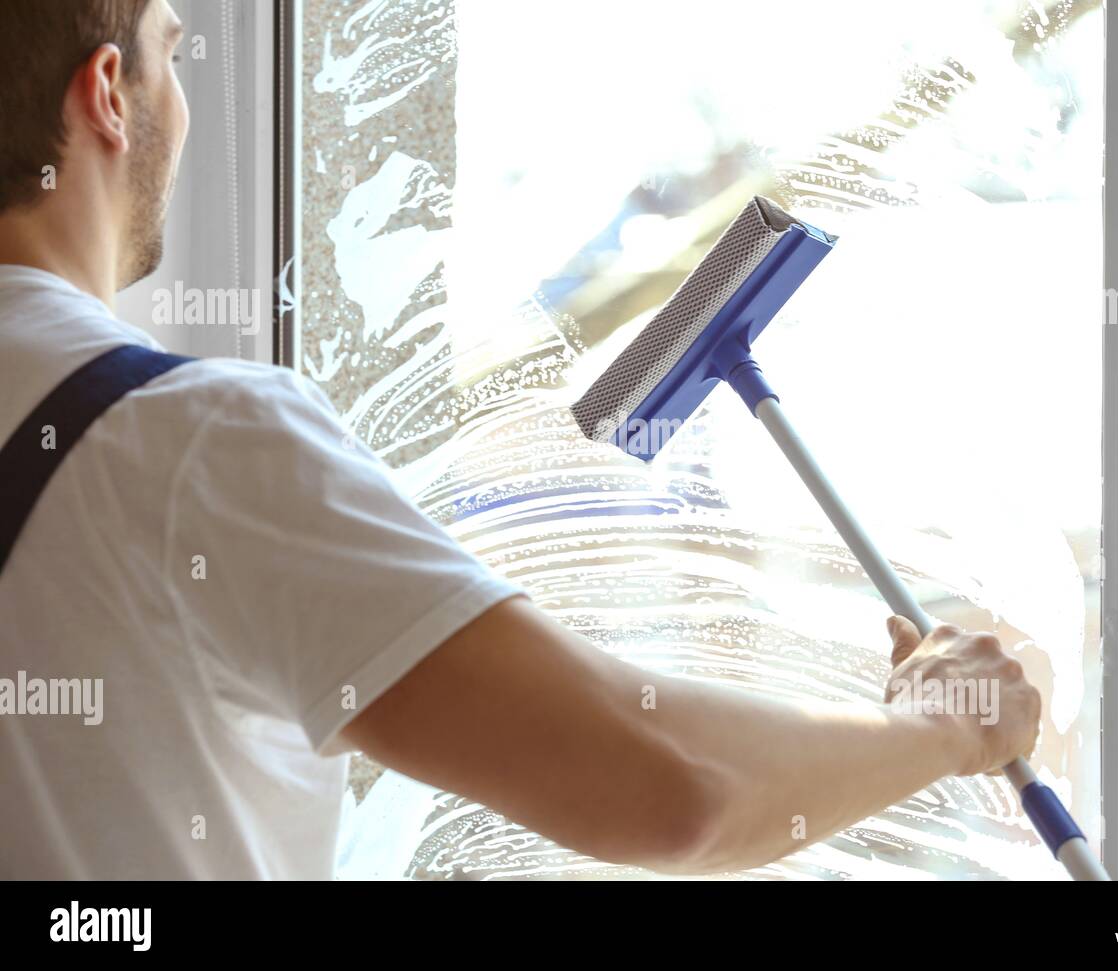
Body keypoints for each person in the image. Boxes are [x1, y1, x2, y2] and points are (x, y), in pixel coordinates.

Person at [0, 0, 1040, 879]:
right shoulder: (191, 439)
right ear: (105, 92)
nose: (184, 105)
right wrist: (945, 725)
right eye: (174, 55)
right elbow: (670, 787)